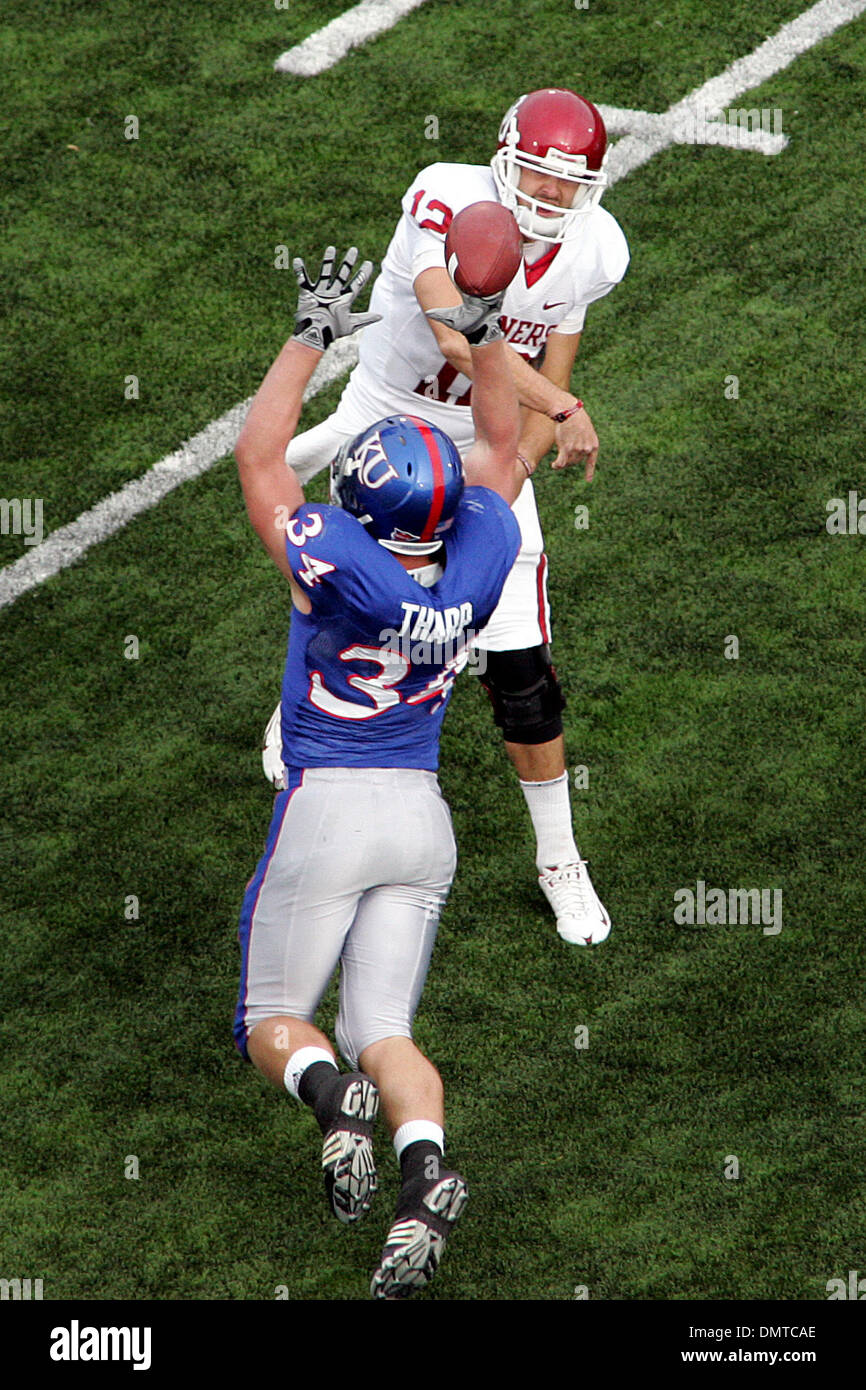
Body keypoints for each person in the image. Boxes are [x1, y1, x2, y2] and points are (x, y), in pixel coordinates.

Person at [262, 88, 629, 946]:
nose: (546, 200)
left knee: (524, 676)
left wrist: (513, 472)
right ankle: (301, 708)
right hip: (387, 421)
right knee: (351, 600)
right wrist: (567, 407)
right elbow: (457, 334)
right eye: (534, 177)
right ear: (504, 161)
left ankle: (559, 860)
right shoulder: (444, 195)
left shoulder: (594, 252)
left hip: (487, 437)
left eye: (566, 185)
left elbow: (546, 370)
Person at [233, 245, 524, 1298]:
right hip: (421, 817)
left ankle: (332, 1103)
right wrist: (485, 333)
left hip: (330, 805)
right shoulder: (476, 555)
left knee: (271, 1021)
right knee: (384, 1029)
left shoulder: (328, 560)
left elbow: (261, 459)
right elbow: (499, 438)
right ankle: (424, 1174)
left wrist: (309, 333)